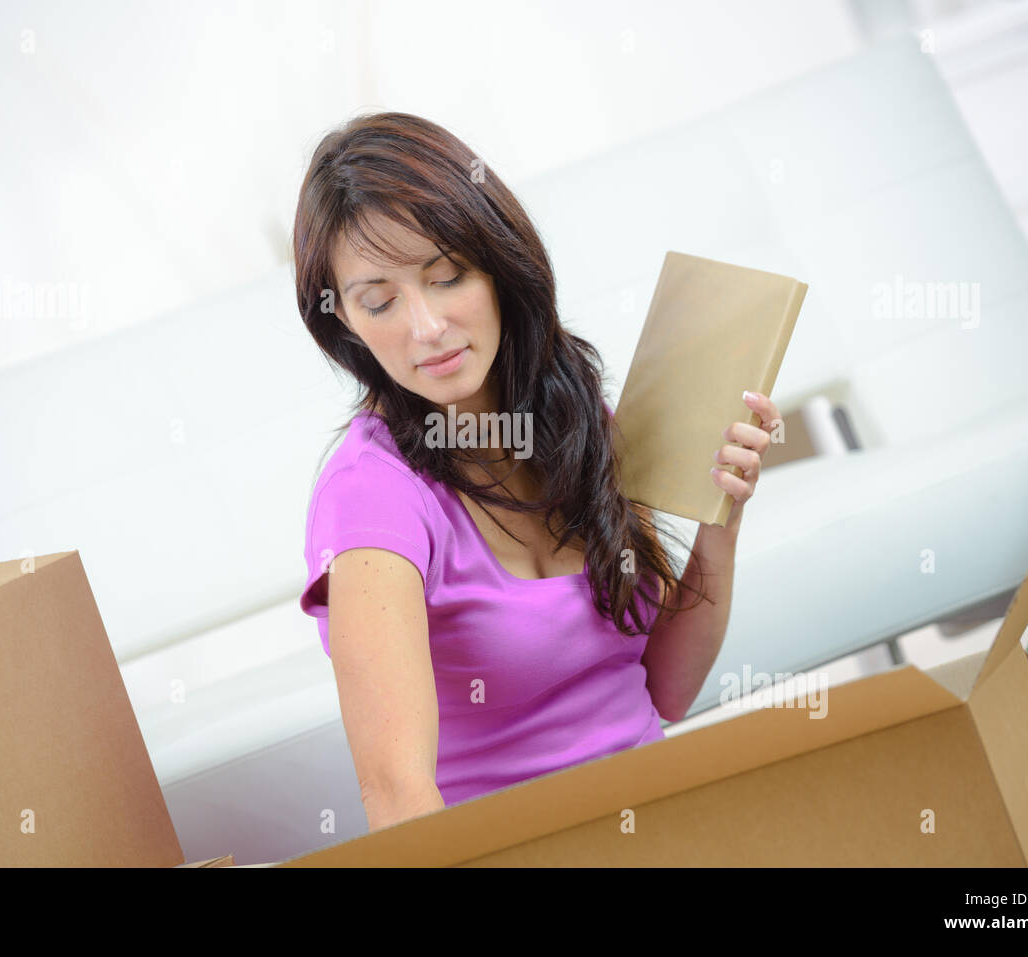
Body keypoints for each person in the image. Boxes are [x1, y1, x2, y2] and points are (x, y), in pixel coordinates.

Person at [293, 111, 778, 832]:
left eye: (446, 275)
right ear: (345, 325)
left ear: (497, 266)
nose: (425, 327)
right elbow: (398, 799)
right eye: (379, 301)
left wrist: (720, 524)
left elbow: (664, 690)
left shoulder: (574, 415)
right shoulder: (370, 495)